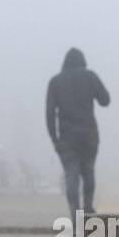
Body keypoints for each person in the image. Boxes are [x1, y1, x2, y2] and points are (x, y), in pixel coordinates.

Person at [46, 47, 110, 215]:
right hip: (89, 134)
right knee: (88, 171)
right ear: (83, 61)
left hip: (66, 137)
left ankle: (75, 214)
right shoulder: (90, 76)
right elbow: (105, 100)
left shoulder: (55, 82)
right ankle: (88, 208)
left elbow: (49, 113)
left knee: (71, 174)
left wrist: (55, 139)